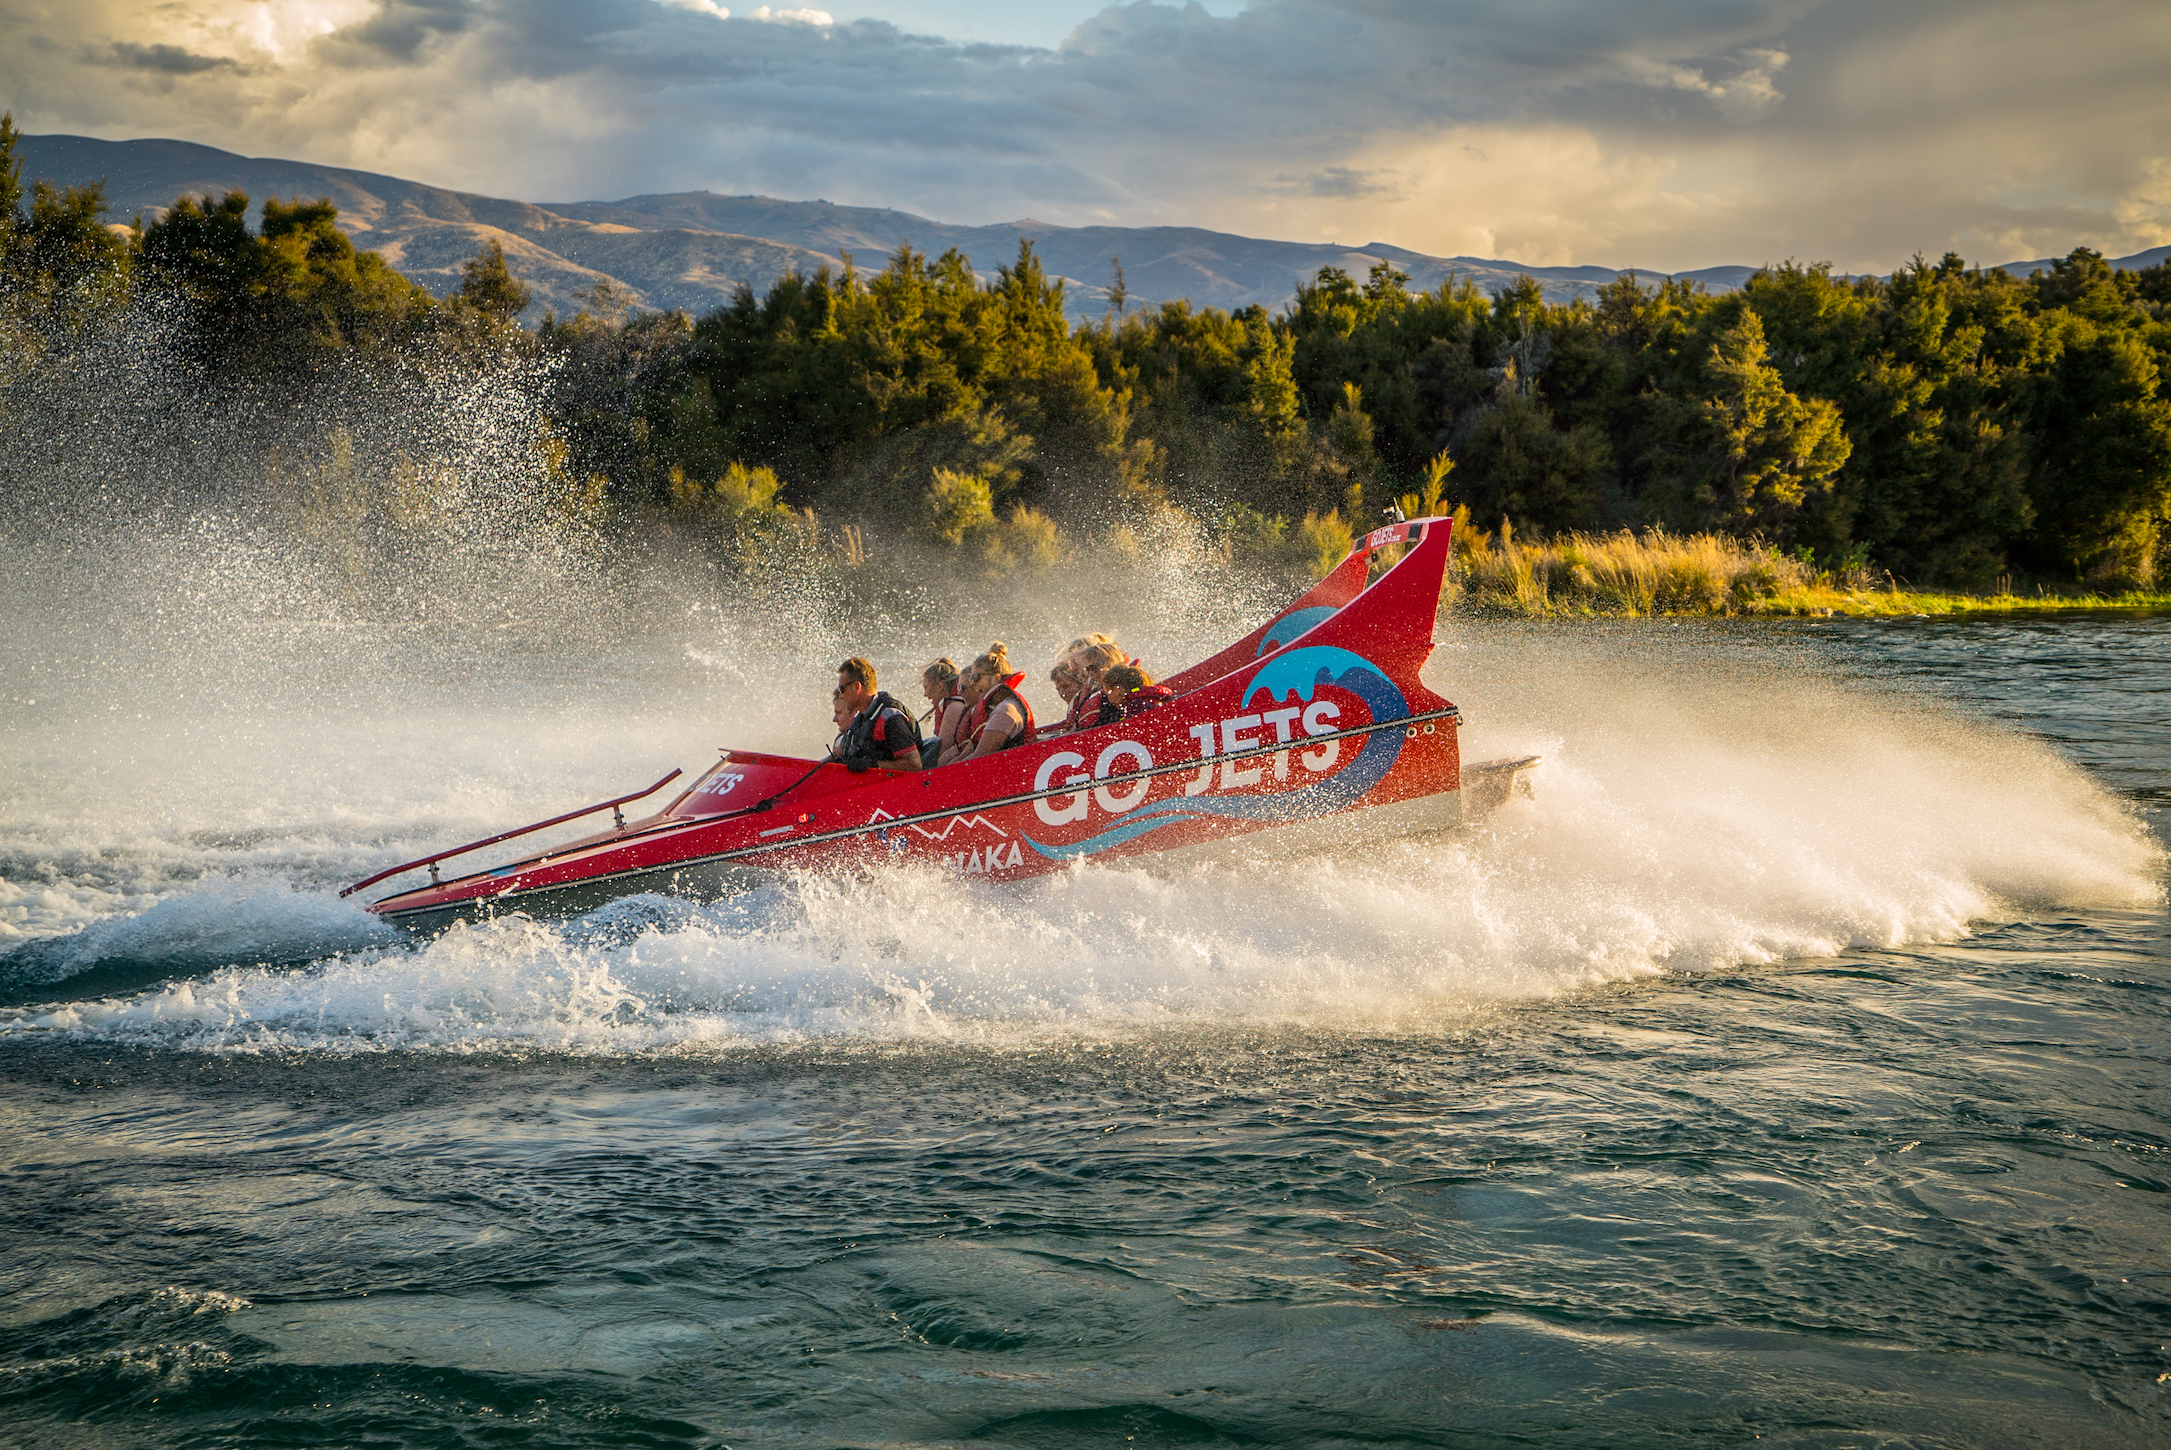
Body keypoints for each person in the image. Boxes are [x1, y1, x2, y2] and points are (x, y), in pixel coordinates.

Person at [938, 642, 1037, 764]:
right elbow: (968, 752)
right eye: (971, 678)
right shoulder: (990, 707)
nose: (972, 683)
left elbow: (980, 756)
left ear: (996, 678)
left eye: (976, 678)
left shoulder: (1005, 710)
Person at [829, 657, 922, 773]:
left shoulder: (890, 718)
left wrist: (872, 765)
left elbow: (915, 765)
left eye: (842, 689)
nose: (841, 696)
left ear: (857, 687)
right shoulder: (861, 718)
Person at [1061, 638, 1127, 732]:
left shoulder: (1114, 694)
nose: (1091, 674)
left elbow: (1108, 725)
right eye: (1088, 669)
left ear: (1109, 663)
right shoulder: (1094, 692)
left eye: (1093, 668)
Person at [919, 658, 967, 769]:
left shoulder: (954, 707)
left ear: (939, 686)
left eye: (926, 687)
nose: (925, 694)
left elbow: (942, 749)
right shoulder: (954, 703)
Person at [1096, 663, 1173, 722]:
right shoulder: (1147, 699)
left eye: (1108, 693)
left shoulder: (1136, 706)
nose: (1108, 699)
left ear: (1117, 691)